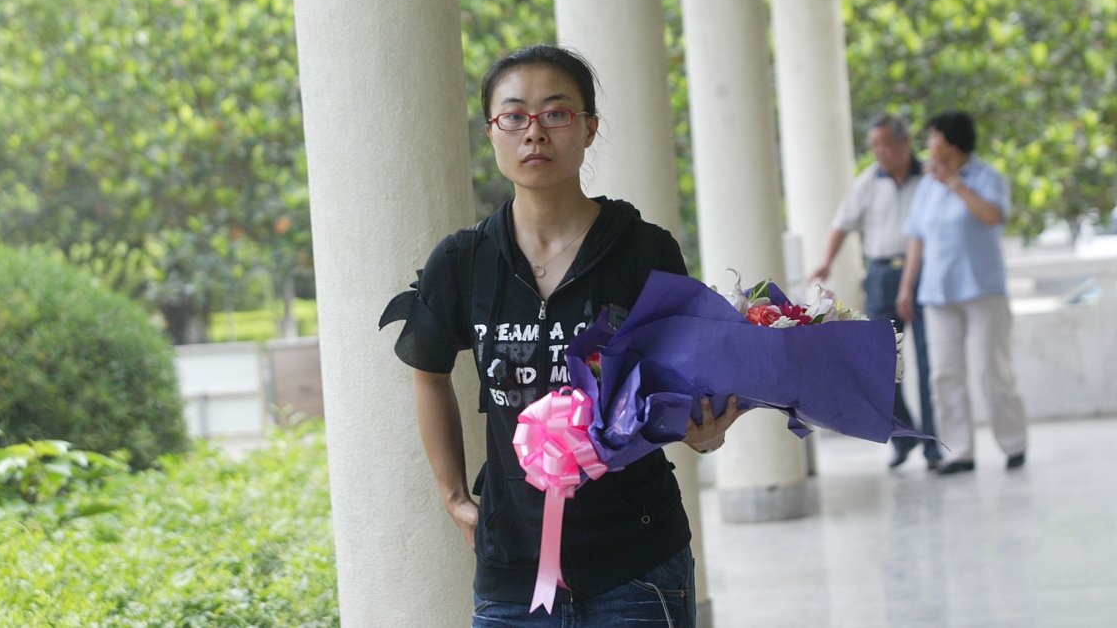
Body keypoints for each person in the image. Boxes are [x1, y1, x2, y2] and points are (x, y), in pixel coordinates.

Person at [382, 45, 744, 627]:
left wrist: (704, 433)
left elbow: (681, 379)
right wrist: (452, 496)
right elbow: (428, 371)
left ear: (588, 128)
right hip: (512, 570)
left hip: (637, 560)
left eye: (556, 113)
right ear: (491, 132)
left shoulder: (644, 250)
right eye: (513, 116)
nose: (534, 132)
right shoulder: (464, 261)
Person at [897, 111, 1028, 475]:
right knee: (944, 374)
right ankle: (959, 452)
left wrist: (955, 184)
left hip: (982, 289)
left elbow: (992, 216)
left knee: (991, 369)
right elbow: (917, 238)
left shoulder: (987, 177)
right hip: (938, 292)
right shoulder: (927, 186)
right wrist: (907, 286)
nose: (928, 145)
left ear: (951, 142)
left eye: (933, 137)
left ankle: (1014, 444)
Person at [808, 114, 941, 470]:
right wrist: (826, 263)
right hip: (881, 276)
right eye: (875, 145)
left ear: (904, 142)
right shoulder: (868, 181)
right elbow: (842, 224)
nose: (880, 152)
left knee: (929, 363)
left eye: (886, 144)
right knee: (880, 364)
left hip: (923, 273)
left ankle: (933, 446)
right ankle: (903, 437)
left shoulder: (928, 178)